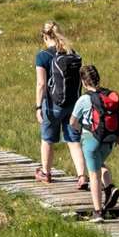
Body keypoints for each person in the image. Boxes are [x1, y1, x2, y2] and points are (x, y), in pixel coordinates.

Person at [32, 22, 88, 187]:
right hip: (73, 104)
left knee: (47, 139)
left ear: (44, 36)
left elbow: (41, 83)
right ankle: (82, 176)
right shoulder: (72, 53)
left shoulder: (42, 56)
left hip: (52, 104)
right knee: (73, 140)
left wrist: (37, 107)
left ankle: (46, 173)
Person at [67, 64, 119, 221]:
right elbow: (118, 120)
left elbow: (72, 122)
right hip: (109, 141)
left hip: (91, 141)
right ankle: (110, 188)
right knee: (99, 165)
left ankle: (98, 212)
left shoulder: (84, 99)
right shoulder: (110, 96)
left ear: (84, 82)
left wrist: (81, 129)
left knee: (94, 175)